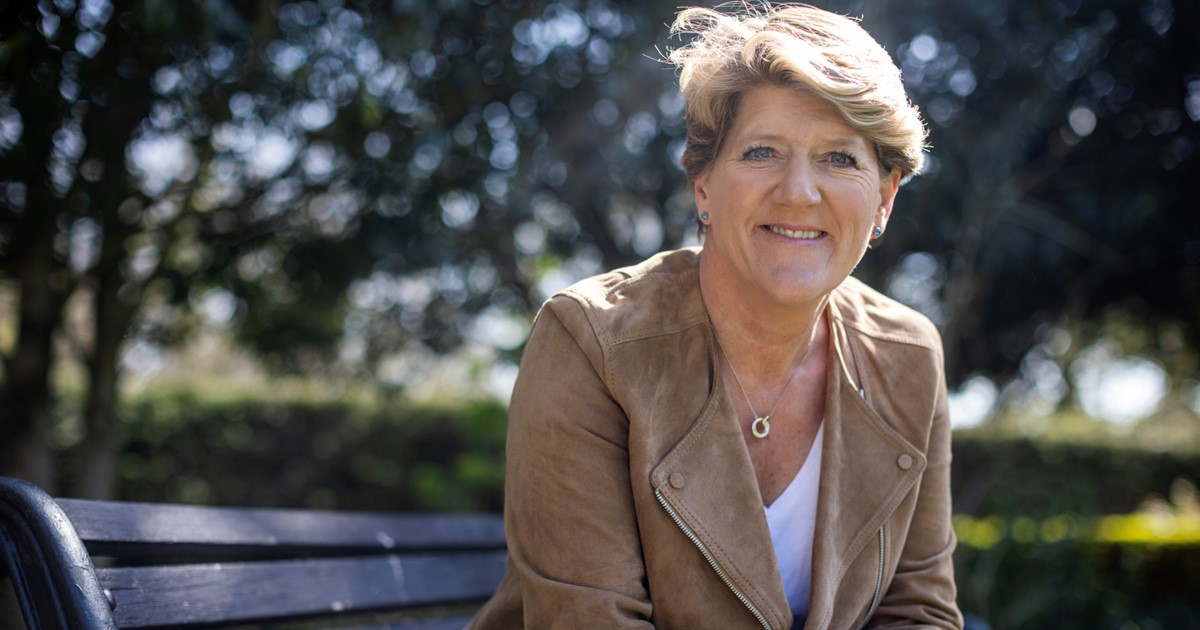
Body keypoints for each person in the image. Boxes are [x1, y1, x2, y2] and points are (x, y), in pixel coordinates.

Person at [469, 3, 962, 628]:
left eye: (840, 158)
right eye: (762, 152)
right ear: (702, 184)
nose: (799, 191)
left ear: (885, 198)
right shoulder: (589, 341)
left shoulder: (909, 355)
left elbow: (917, 610)